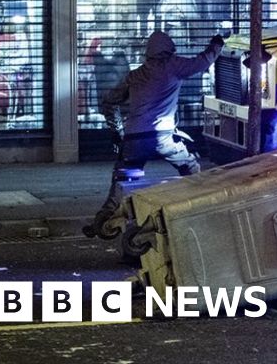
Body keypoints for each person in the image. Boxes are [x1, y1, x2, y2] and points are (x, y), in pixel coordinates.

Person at [84, 30, 224, 239]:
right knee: (191, 169)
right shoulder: (173, 65)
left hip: (134, 138)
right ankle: (199, 211)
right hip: (162, 137)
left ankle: (104, 220)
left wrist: (117, 131)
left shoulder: (136, 75)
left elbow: (109, 101)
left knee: (122, 181)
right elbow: (202, 62)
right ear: (169, 49)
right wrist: (216, 44)